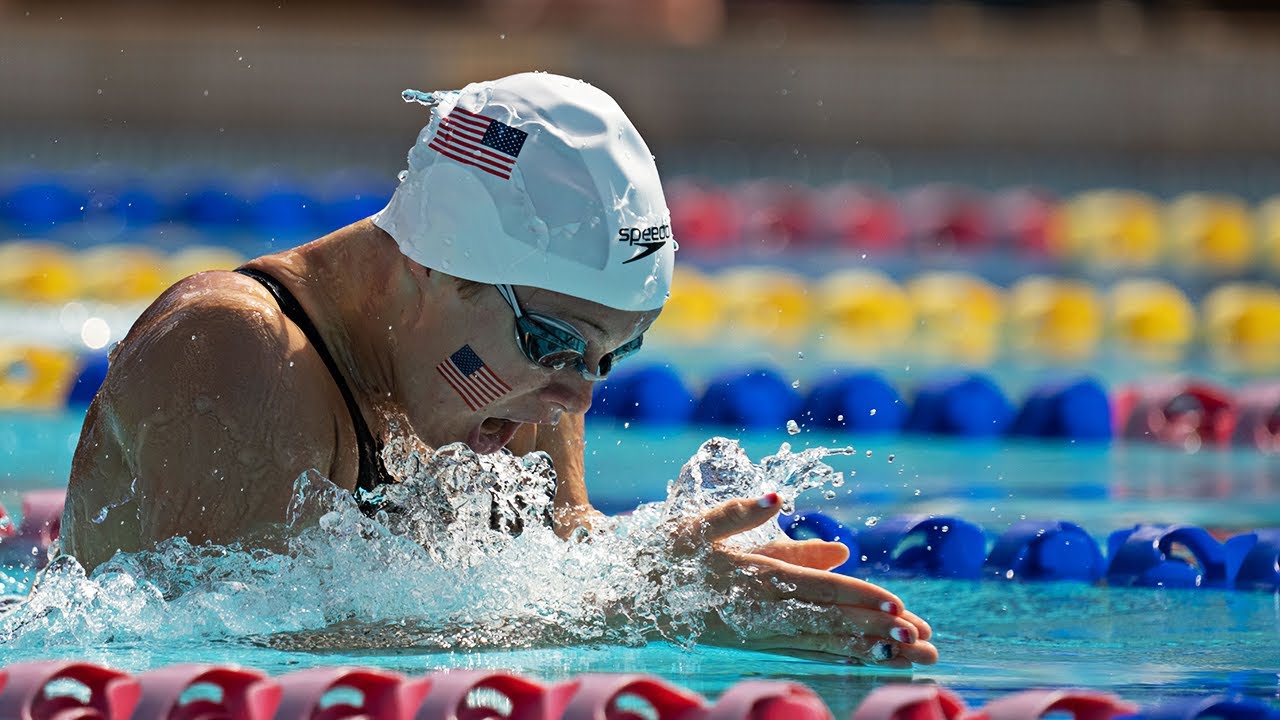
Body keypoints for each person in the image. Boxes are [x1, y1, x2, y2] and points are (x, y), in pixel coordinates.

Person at [60, 72, 937, 667]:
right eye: (555, 343)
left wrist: (686, 572)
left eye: (612, 354)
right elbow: (229, 645)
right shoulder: (232, 352)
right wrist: (627, 614)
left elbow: (559, 552)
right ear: (435, 269)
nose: (577, 395)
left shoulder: (527, 380)